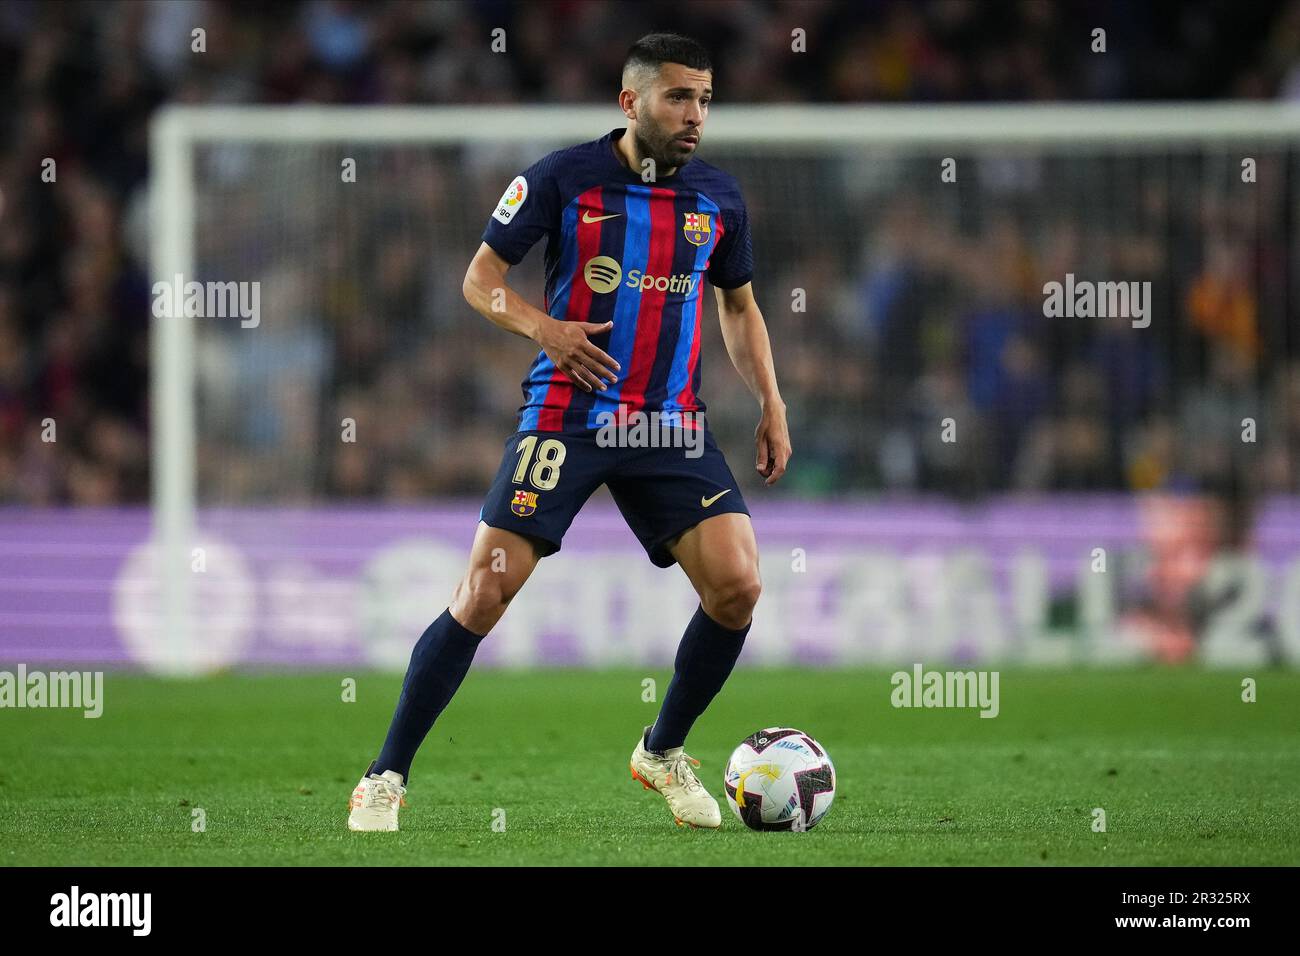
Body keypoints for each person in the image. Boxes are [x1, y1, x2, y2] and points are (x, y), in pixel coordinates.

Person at [348, 32, 790, 832]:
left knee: (738, 586)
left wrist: (772, 400)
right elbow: (479, 280)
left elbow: (739, 305)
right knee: (484, 592)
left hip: (669, 425)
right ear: (632, 102)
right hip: (569, 413)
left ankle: (660, 751)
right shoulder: (561, 178)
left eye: (705, 99)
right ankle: (384, 775)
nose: (695, 115)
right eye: (679, 97)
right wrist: (543, 328)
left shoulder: (717, 198)